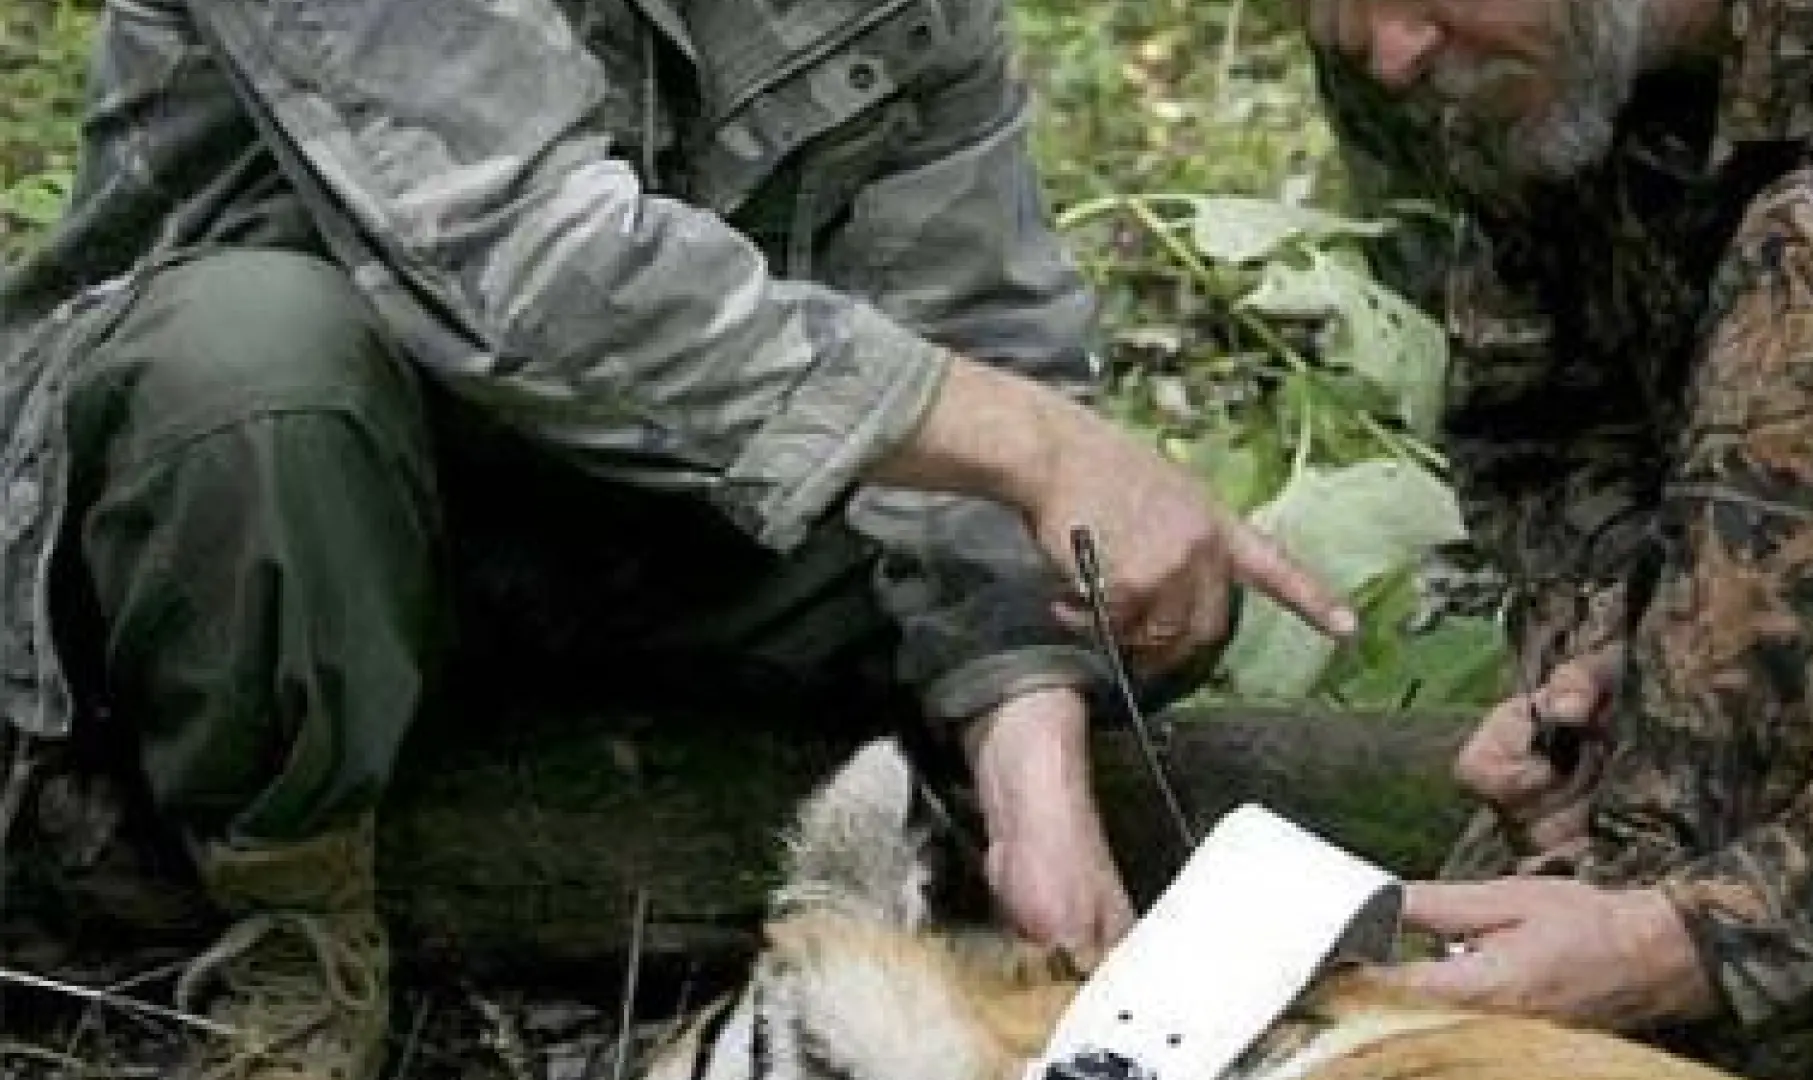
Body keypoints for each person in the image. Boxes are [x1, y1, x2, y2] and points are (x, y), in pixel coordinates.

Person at [0, 1, 1358, 1077]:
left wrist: (1034, 779)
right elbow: (524, 266)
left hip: (635, 495)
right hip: (266, 501)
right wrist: (1033, 441)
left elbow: (977, 317)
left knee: (1131, 578)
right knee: (264, 370)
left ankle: (916, 833)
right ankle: (286, 917)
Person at [1303, 1, 1813, 1077]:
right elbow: (1544, 432)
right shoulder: (1522, 72)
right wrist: (1602, 665)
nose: (1388, 53)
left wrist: (1687, 940)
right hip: (1713, 835)